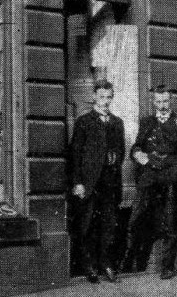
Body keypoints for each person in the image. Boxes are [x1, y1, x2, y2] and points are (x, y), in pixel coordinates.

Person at [123, 85, 177, 279]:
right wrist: (137, 154)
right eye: (158, 101)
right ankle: (129, 262)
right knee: (136, 217)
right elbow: (137, 146)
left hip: (170, 176)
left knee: (170, 220)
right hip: (149, 176)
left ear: (170, 101)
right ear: (153, 102)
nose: (162, 105)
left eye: (165, 101)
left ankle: (167, 266)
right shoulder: (147, 122)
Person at [69, 79, 125, 284]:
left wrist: (114, 160)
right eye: (101, 97)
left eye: (109, 97)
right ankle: (89, 265)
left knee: (108, 225)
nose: (105, 101)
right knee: (88, 225)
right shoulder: (84, 121)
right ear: (94, 97)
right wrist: (78, 182)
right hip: (89, 183)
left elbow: (121, 151)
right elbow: (75, 154)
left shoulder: (117, 123)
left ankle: (106, 263)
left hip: (110, 183)